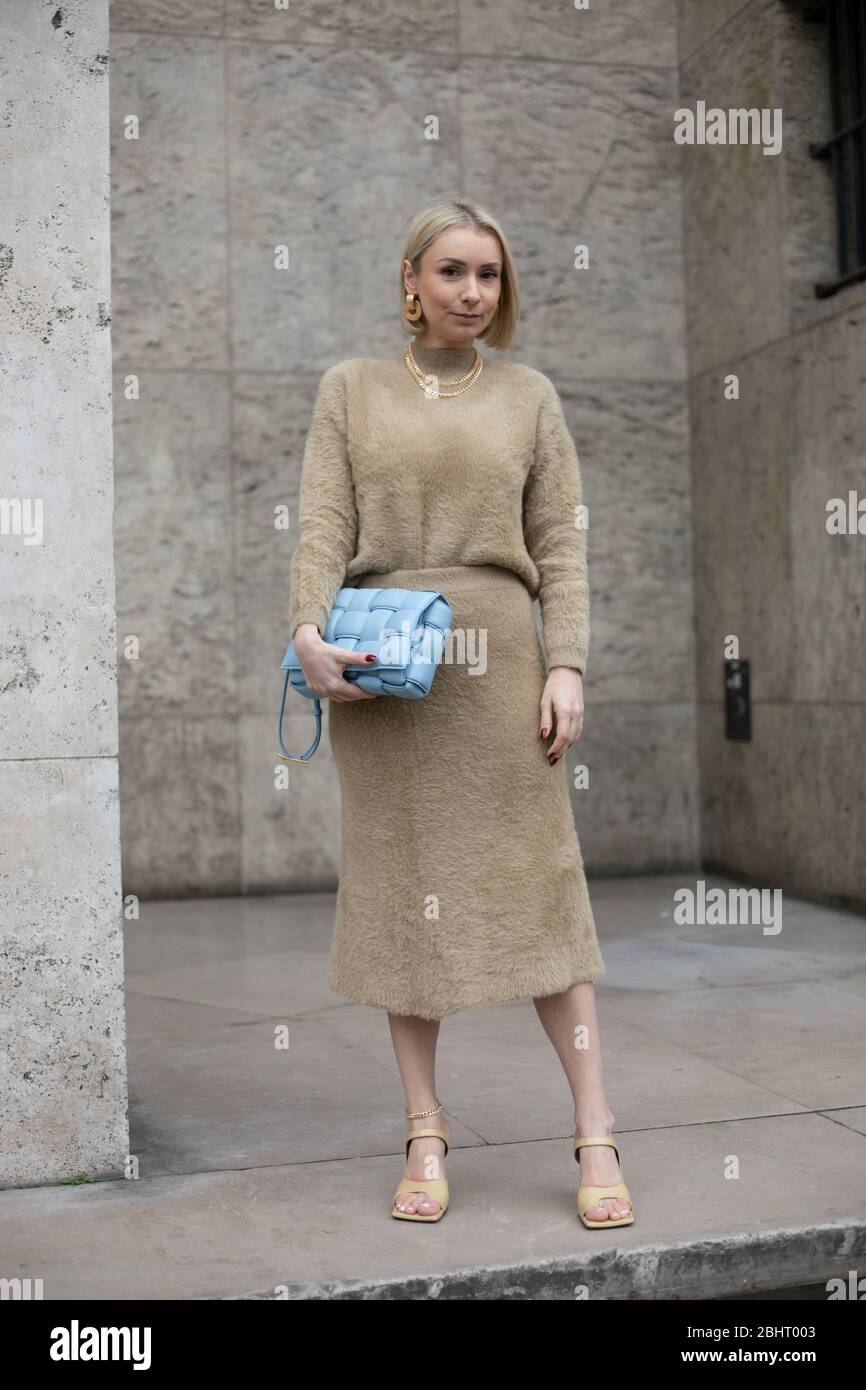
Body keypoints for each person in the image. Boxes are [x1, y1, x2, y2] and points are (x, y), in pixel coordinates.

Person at [288, 194, 633, 1229]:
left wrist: (564, 665)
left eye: (487, 274)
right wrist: (307, 634)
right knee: (408, 897)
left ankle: (594, 1129)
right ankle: (425, 1130)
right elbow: (321, 522)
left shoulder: (529, 396)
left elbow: (560, 543)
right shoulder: (351, 388)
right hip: (387, 672)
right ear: (410, 280)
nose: (471, 292)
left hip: (499, 669)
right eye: (451, 271)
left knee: (542, 897)